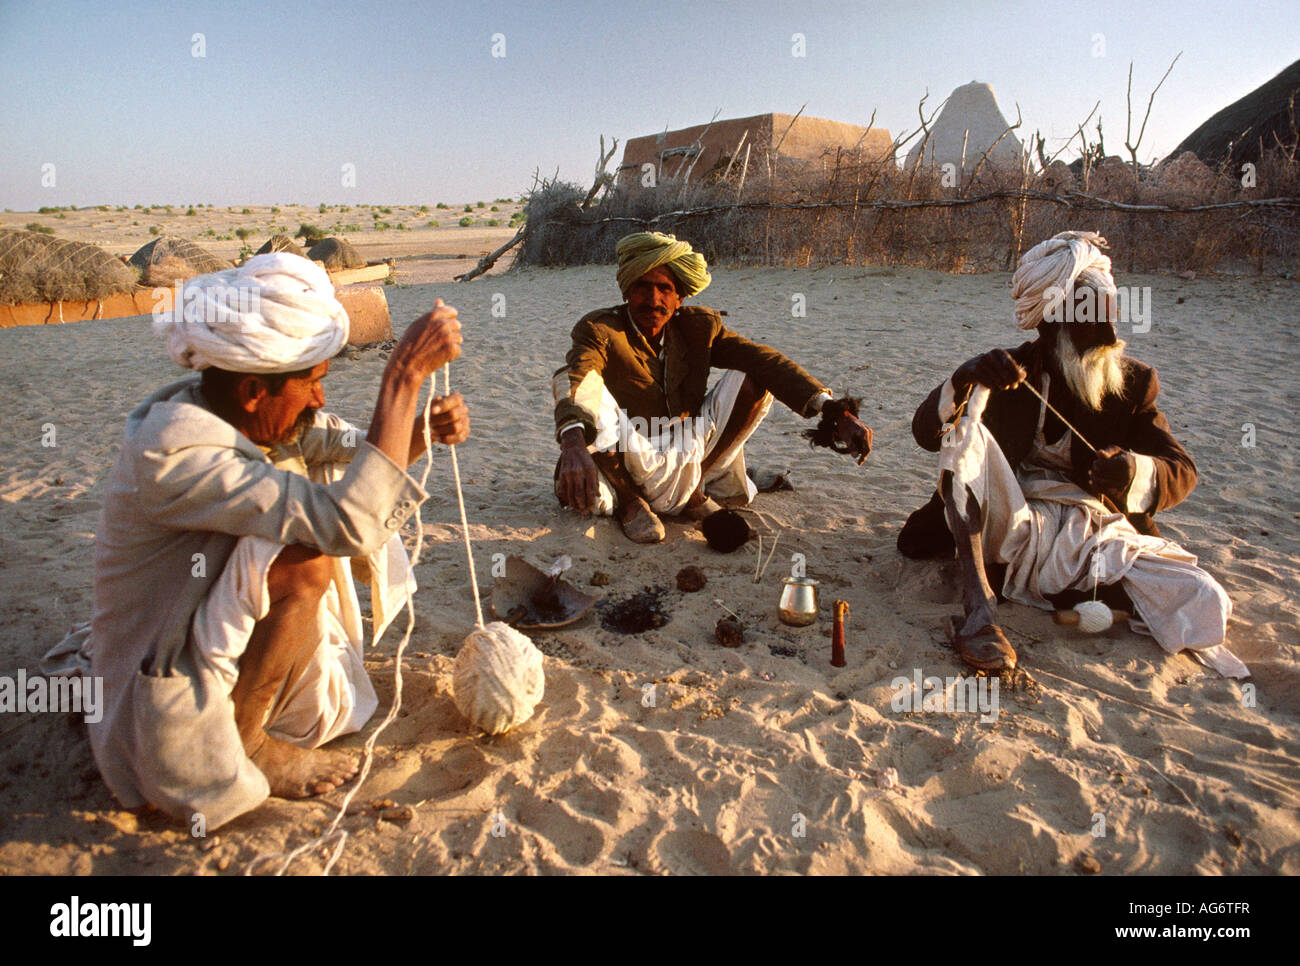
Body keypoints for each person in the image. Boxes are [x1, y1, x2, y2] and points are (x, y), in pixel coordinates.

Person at [50, 253, 470, 829]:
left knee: (313, 510)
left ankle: (251, 717)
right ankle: (244, 748)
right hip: (154, 709)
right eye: (313, 384)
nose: (321, 400)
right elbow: (347, 522)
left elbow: (348, 448)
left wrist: (420, 431)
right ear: (253, 390)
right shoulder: (178, 452)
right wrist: (402, 376)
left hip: (200, 639)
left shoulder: (236, 412)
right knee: (306, 562)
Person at [898, 231, 1247, 678]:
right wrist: (963, 379)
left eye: (1111, 318)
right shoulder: (1005, 371)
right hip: (1011, 517)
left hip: (1093, 530)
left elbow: (1181, 469)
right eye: (1093, 324)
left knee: (1202, 594)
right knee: (965, 439)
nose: (1111, 335)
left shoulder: (1134, 383)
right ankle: (979, 606)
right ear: (1051, 326)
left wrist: (1133, 471)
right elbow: (927, 435)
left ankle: (1045, 586)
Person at [552, 231, 873, 543]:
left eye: (664, 289)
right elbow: (578, 377)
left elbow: (764, 360)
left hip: (687, 447)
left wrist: (834, 411)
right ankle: (632, 502)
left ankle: (694, 487)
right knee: (578, 391)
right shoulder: (601, 329)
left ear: (680, 299)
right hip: (629, 452)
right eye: (643, 287)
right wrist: (572, 443)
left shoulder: (699, 327)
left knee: (752, 375)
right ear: (626, 292)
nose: (654, 300)